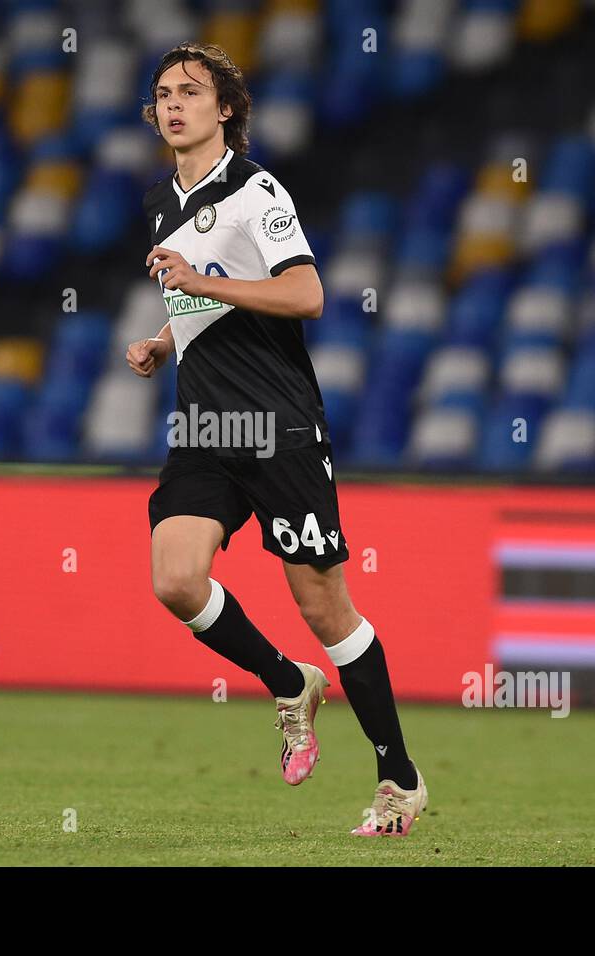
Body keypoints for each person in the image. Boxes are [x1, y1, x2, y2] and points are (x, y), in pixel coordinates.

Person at [124, 42, 426, 836]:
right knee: (175, 581)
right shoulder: (161, 198)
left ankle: (399, 778)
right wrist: (165, 335)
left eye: (192, 90)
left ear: (226, 110)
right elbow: (201, 297)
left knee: (324, 606)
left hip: (279, 426)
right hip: (205, 425)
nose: (174, 103)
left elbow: (306, 292)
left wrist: (196, 282)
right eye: (163, 93)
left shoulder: (258, 192)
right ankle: (289, 683)